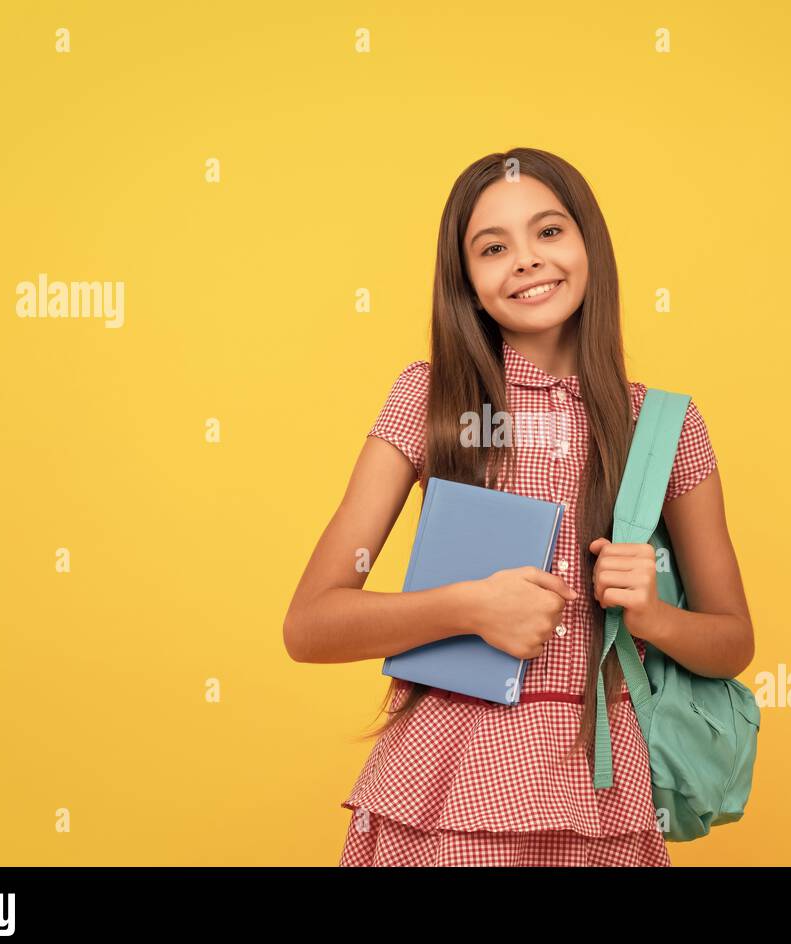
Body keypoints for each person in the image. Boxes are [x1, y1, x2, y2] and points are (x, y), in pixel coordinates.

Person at [283, 147, 755, 866]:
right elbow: (311, 625)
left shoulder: (662, 428)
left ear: (589, 245)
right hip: (443, 790)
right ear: (467, 284)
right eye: (493, 247)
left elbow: (733, 642)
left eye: (549, 232)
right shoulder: (430, 401)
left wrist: (652, 613)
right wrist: (469, 607)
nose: (527, 260)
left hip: (601, 798)